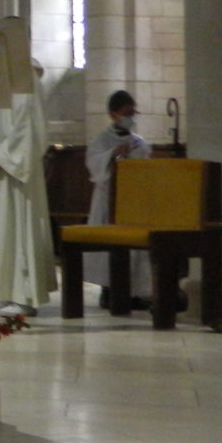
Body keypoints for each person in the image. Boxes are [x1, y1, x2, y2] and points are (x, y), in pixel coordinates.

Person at [0, 61, 57, 316]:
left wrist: (2, 158)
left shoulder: (25, 77)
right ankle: (0, 292)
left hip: (13, 165)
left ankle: (24, 296)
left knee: (17, 227)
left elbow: (29, 126)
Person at [85, 87, 153, 307]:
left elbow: (146, 168)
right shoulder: (102, 140)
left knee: (135, 250)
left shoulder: (139, 142)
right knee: (109, 247)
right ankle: (109, 290)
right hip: (107, 201)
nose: (130, 117)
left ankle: (133, 293)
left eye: (133, 113)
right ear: (114, 114)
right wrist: (112, 154)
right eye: (126, 113)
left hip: (132, 202)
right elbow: (94, 165)